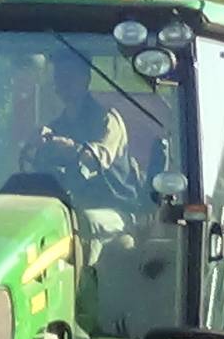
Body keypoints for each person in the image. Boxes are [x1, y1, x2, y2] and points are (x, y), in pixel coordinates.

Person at [21, 56, 144, 238]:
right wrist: (36, 145)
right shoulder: (56, 127)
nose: (64, 81)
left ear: (86, 79)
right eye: (59, 75)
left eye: (70, 74)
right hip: (69, 206)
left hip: (116, 210)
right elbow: (35, 167)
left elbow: (96, 159)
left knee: (82, 222)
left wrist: (66, 147)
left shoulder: (108, 120)